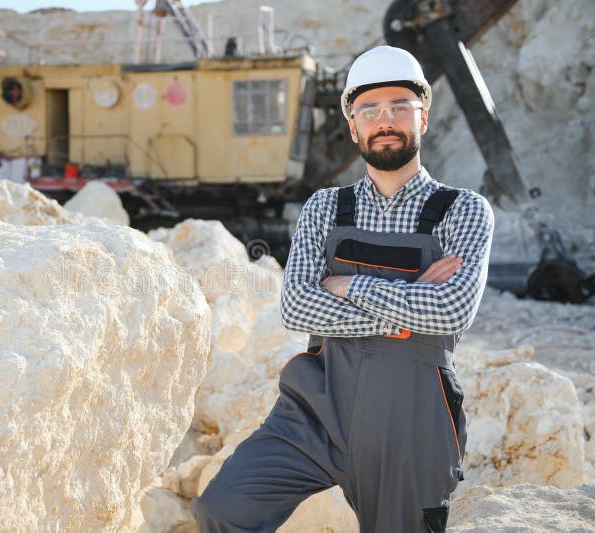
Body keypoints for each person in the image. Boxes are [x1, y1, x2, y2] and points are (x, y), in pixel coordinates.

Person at [192, 45, 494, 532]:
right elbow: (295, 308)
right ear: (353, 126)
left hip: (411, 424)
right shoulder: (325, 207)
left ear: (424, 116)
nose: (385, 119)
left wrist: (346, 284)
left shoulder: (463, 210)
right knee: (222, 509)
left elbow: (452, 312)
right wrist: (408, 304)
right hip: (316, 410)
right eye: (369, 110)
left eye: (399, 106)